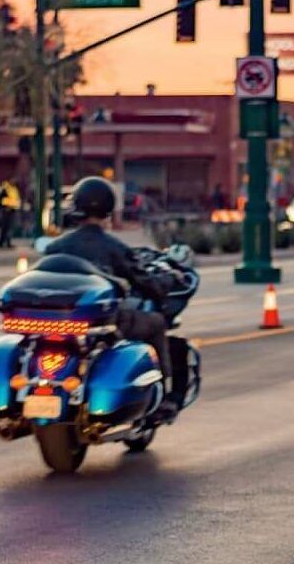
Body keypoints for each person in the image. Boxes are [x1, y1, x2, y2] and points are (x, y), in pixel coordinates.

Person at [44, 177, 188, 417]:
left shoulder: (56, 246)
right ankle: (162, 390)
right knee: (155, 323)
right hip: (102, 323)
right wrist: (171, 279)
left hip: (60, 322)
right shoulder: (113, 247)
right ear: (108, 210)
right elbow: (146, 281)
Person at [0, 180, 21, 249]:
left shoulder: (14, 189)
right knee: (5, 227)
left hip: (12, 211)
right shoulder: (6, 189)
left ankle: (7, 243)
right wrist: (6, 206)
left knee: (9, 228)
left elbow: (16, 199)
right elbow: (1, 200)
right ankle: (1, 243)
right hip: (6, 211)